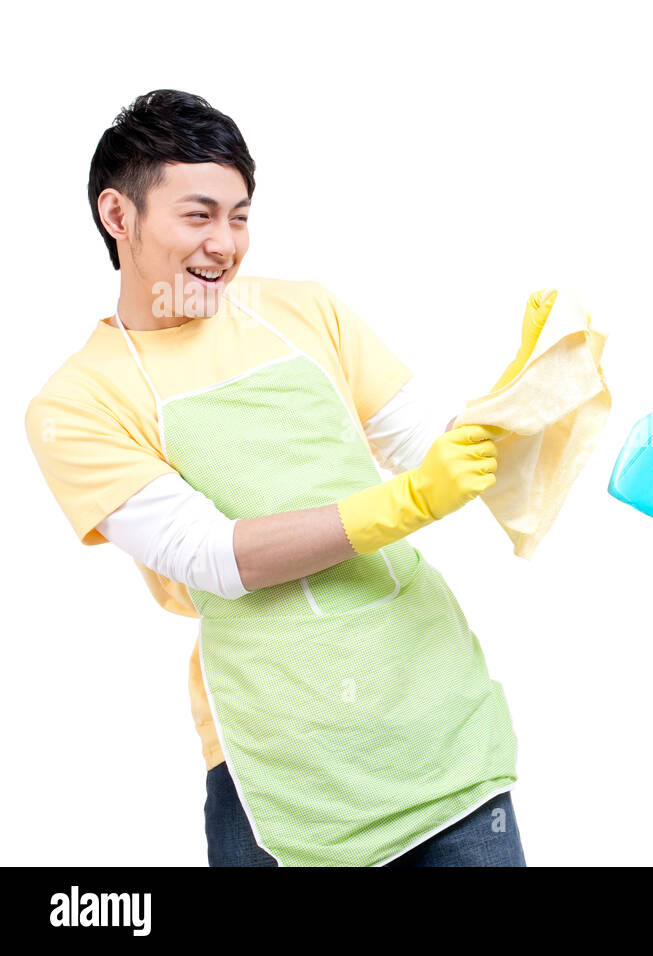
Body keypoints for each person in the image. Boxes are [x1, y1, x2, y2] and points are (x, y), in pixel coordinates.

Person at [24, 89, 546, 866]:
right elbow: (211, 556)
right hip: (280, 756)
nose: (225, 245)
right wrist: (402, 503)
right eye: (198, 215)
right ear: (117, 215)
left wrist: (543, 389)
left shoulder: (307, 312)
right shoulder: (78, 401)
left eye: (240, 216)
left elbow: (436, 447)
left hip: (433, 720)